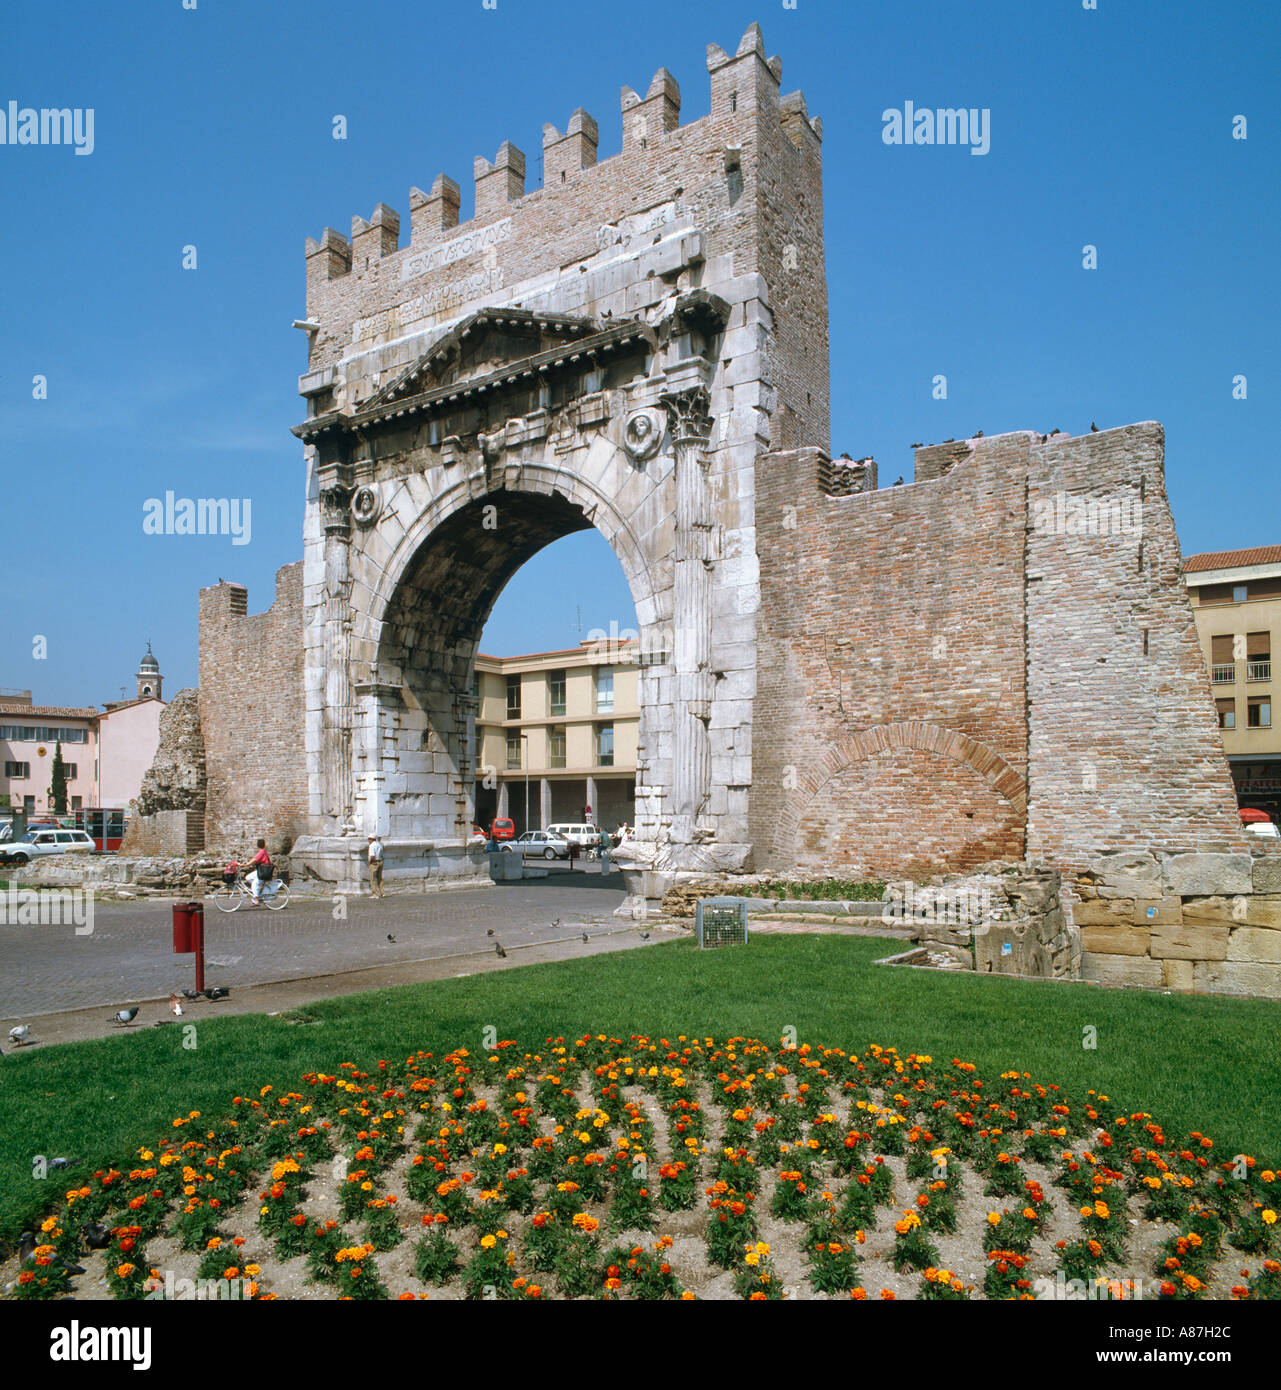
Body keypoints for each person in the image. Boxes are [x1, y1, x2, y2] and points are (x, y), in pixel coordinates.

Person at [246, 839, 272, 905]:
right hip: (261, 871)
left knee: (254, 883)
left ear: (257, 845)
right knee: (248, 878)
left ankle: (256, 900)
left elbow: (255, 859)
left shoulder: (262, 852)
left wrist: (246, 864)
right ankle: (258, 892)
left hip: (263, 872)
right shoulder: (263, 851)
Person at [368, 834, 384, 898]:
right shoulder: (380, 845)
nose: (368, 840)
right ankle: (382, 893)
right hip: (380, 861)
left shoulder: (372, 846)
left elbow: (372, 856)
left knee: (373, 879)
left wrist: (369, 863)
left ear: (371, 839)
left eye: (369, 839)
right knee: (380, 878)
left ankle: (375, 894)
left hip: (374, 863)